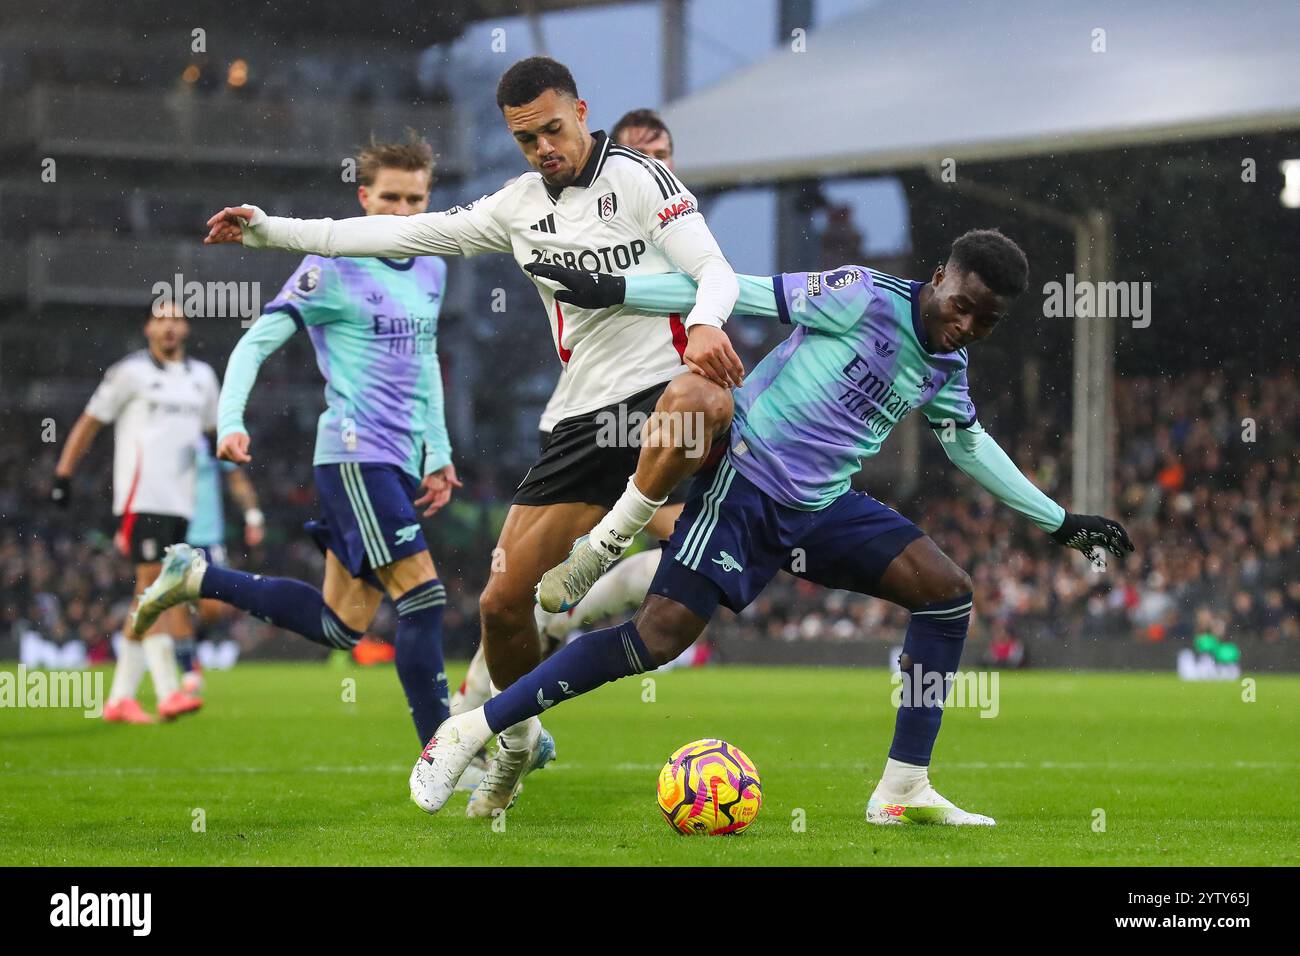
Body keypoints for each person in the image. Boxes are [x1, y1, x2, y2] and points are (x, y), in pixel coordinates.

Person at [410, 229, 1135, 825]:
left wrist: (1060, 520)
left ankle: (904, 786)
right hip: (744, 483)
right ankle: (471, 728)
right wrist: (617, 290)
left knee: (947, 593)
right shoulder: (860, 296)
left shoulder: (949, 367)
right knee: (657, 638)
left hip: (822, 506)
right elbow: (737, 291)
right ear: (941, 275)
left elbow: (968, 443)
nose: (967, 326)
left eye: (986, 321)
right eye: (963, 306)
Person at [201, 57, 741, 817]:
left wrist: (711, 322)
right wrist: (269, 232)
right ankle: (514, 748)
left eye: (553, 128)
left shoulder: (643, 180)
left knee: (703, 399)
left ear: (582, 111)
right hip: (584, 417)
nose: (543, 147)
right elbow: (395, 228)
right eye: (526, 138)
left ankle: (608, 544)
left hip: (661, 388)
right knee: (501, 603)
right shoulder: (516, 206)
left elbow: (713, 268)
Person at [132, 132, 460, 753]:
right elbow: (256, 341)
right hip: (355, 455)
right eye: (390, 198)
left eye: (415, 200)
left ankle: (197, 576)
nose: (403, 213)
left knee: (342, 627)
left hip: (399, 461)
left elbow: (425, 365)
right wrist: (230, 420)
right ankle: (442, 755)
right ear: (364, 198)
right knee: (425, 597)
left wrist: (438, 453)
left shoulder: (432, 266)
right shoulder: (331, 265)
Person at [451, 108, 691, 721]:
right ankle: (484, 704)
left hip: (675, 410)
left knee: (688, 552)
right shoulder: (587, 220)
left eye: (661, 153)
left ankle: (564, 616)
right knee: (518, 593)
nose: (650, 165)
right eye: (640, 153)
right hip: (595, 420)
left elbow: (714, 287)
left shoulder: (677, 223)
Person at [52, 300, 216, 723]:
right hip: (141, 499)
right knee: (154, 587)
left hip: (181, 505)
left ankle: (120, 698)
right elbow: (90, 421)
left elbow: (215, 432)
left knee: (148, 594)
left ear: (187, 328)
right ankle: (167, 692)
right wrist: (64, 474)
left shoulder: (202, 379)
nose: (169, 327)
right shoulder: (129, 373)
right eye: (161, 319)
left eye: (176, 319)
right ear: (147, 328)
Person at [177, 436, 264, 693]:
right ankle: (187, 668)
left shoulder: (210, 438)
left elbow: (236, 478)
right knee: (175, 604)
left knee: (213, 609)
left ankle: (186, 648)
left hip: (208, 537)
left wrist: (252, 515)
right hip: (174, 534)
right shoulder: (167, 433)